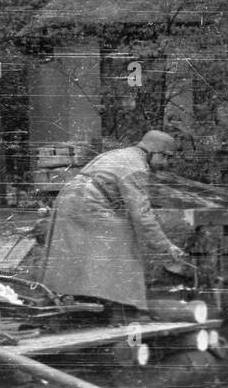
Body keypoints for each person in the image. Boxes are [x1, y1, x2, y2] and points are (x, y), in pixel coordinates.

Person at [40, 130, 186, 319]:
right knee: (125, 240)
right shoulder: (136, 168)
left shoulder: (122, 154)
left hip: (71, 197)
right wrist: (166, 246)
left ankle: (82, 300)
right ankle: (124, 307)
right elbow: (141, 214)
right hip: (86, 200)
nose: (165, 164)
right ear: (155, 152)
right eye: (165, 157)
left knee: (79, 253)